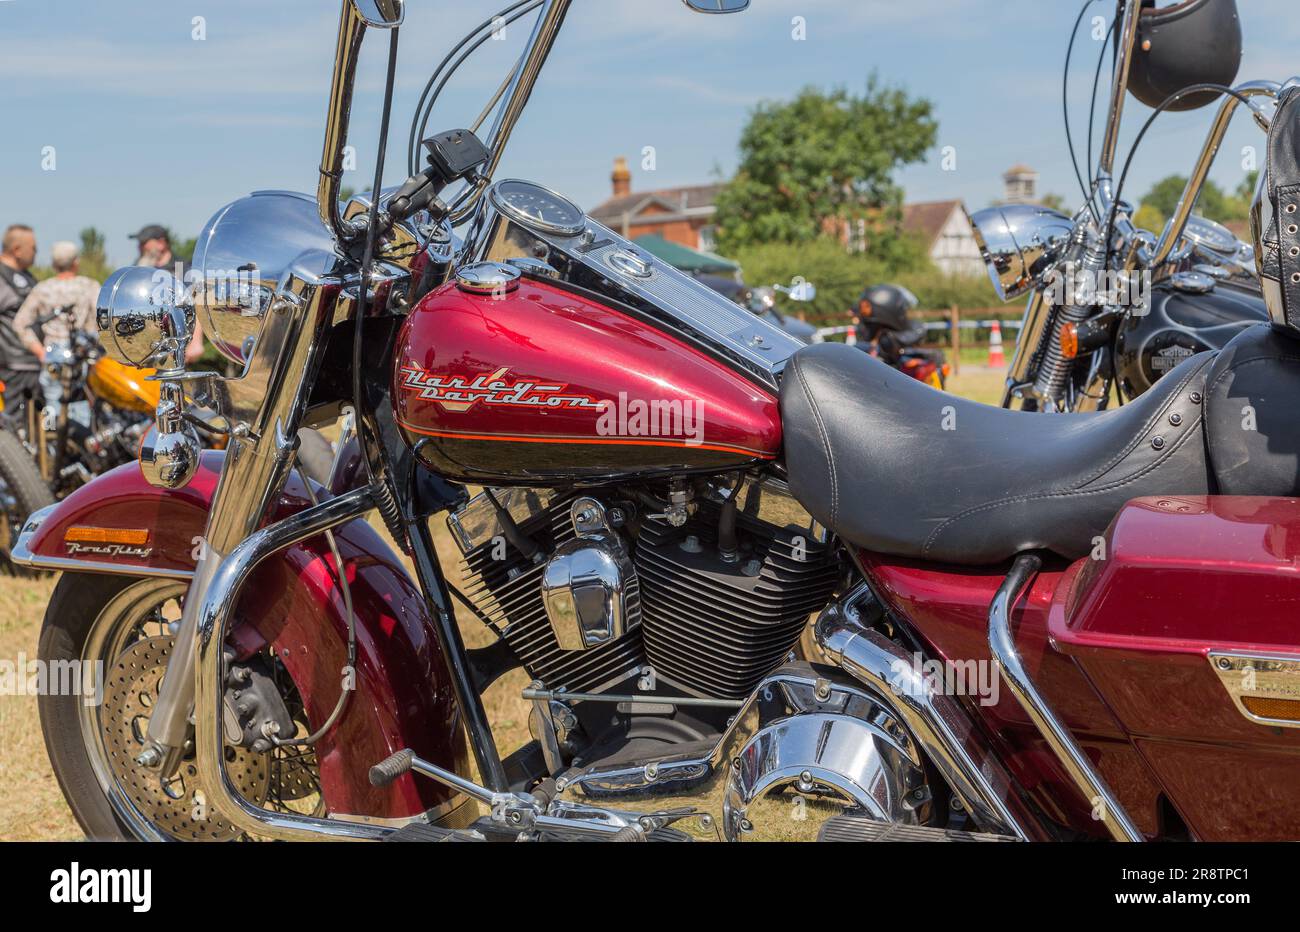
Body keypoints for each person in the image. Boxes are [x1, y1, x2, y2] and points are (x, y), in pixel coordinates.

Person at [13, 241, 99, 428]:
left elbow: (20, 323)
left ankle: (52, 448)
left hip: (53, 357)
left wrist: (40, 352)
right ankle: (79, 450)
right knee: (79, 406)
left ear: (54, 264)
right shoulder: (89, 286)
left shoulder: (42, 289)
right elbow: (102, 319)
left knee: (52, 404)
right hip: (80, 355)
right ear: (76, 262)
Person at [131, 224, 205, 364]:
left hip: (178, 347)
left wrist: (196, 341)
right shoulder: (141, 268)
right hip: (144, 349)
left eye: (143, 243)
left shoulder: (183, 268)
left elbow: (197, 302)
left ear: (161, 243)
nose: (139, 247)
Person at [0, 224, 40, 405]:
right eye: (33, 248)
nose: (36, 252)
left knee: (43, 428)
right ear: (16, 250)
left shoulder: (27, 276)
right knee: (14, 429)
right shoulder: (2, 277)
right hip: (12, 368)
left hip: (35, 364)